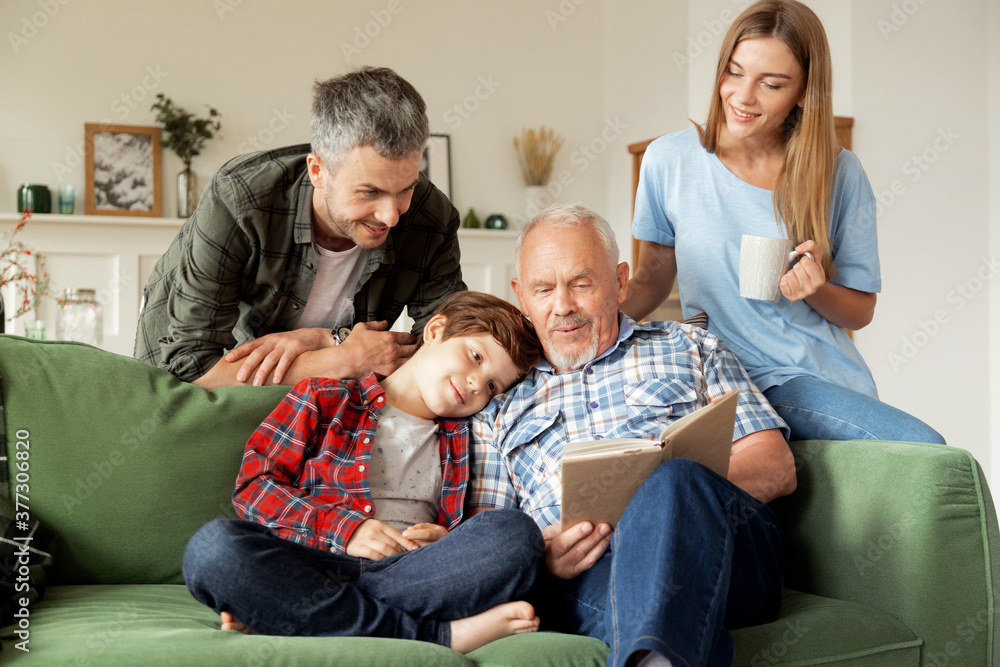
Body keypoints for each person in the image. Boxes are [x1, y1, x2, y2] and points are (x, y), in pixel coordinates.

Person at [468, 204, 795, 667]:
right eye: (543, 289)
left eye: (581, 284)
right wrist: (542, 558)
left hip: (726, 549)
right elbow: (488, 547)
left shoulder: (693, 347)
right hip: (591, 575)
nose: (562, 306)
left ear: (620, 282)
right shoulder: (496, 406)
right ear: (521, 296)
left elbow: (775, 466)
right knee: (630, 587)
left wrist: (657, 497)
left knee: (675, 480)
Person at [622, 0, 944, 444]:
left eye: (771, 84)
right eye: (734, 73)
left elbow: (861, 310)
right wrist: (570, 326)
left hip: (811, 377)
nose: (743, 97)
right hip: (727, 373)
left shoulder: (838, 171)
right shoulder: (669, 160)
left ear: (804, 92)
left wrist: (817, 288)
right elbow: (650, 282)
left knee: (924, 450)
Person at [183, 291, 545, 653]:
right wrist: (346, 529)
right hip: (311, 563)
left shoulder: (464, 440)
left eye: (492, 386)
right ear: (436, 330)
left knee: (515, 536)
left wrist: (445, 541)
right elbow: (254, 488)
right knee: (213, 548)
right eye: (476, 357)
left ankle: (292, 614)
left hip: (410, 571)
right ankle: (438, 636)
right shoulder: (324, 396)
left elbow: (465, 541)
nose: (475, 384)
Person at [134, 66, 465, 389]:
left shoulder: (432, 218)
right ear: (318, 171)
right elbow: (191, 369)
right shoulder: (239, 200)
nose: (391, 216)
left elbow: (451, 344)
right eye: (370, 192)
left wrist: (325, 339)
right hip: (189, 381)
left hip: (318, 401)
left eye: (406, 188)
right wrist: (341, 359)